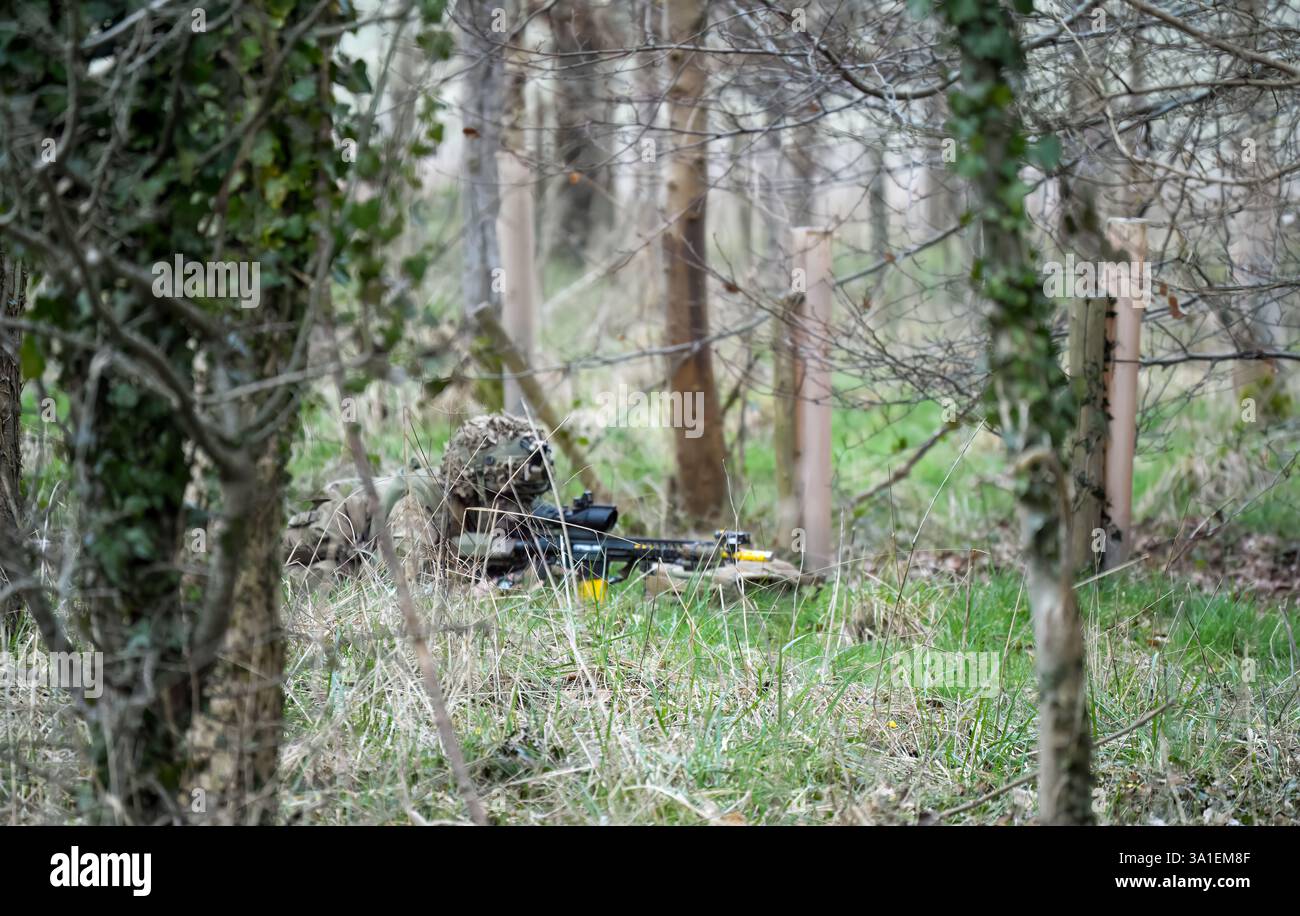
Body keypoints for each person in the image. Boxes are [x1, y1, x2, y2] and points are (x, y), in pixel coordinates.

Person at [284, 413, 555, 586]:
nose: (520, 512)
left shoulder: (499, 516)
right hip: (340, 528)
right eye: (508, 500)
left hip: (368, 554)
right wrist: (470, 588)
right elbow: (396, 589)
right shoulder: (418, 506)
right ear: (473, 490)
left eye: (527, 500)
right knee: (293, 576)